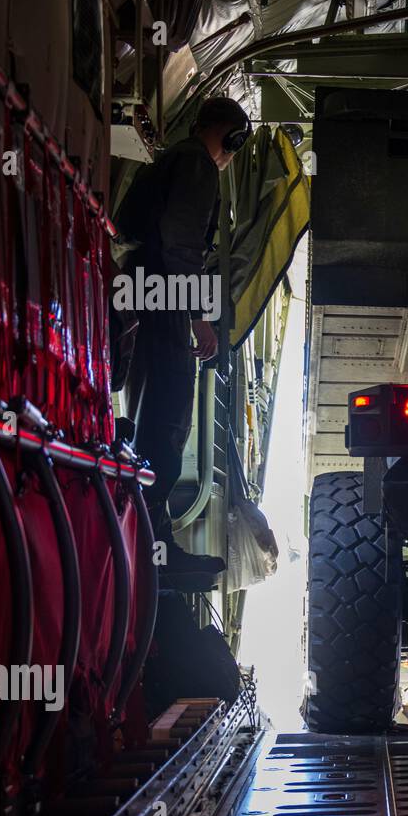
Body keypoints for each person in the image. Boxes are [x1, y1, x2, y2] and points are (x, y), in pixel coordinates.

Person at [113, 97, 251, 575]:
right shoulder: (198, 164)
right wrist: (197, 313)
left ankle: (142, 536)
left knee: (151, 410)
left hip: (142, 284)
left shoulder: (172, 158)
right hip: (167, 290)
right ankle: (157, 547)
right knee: (170, 415)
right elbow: (180, 242)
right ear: (231, 136)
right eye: (235, 142)